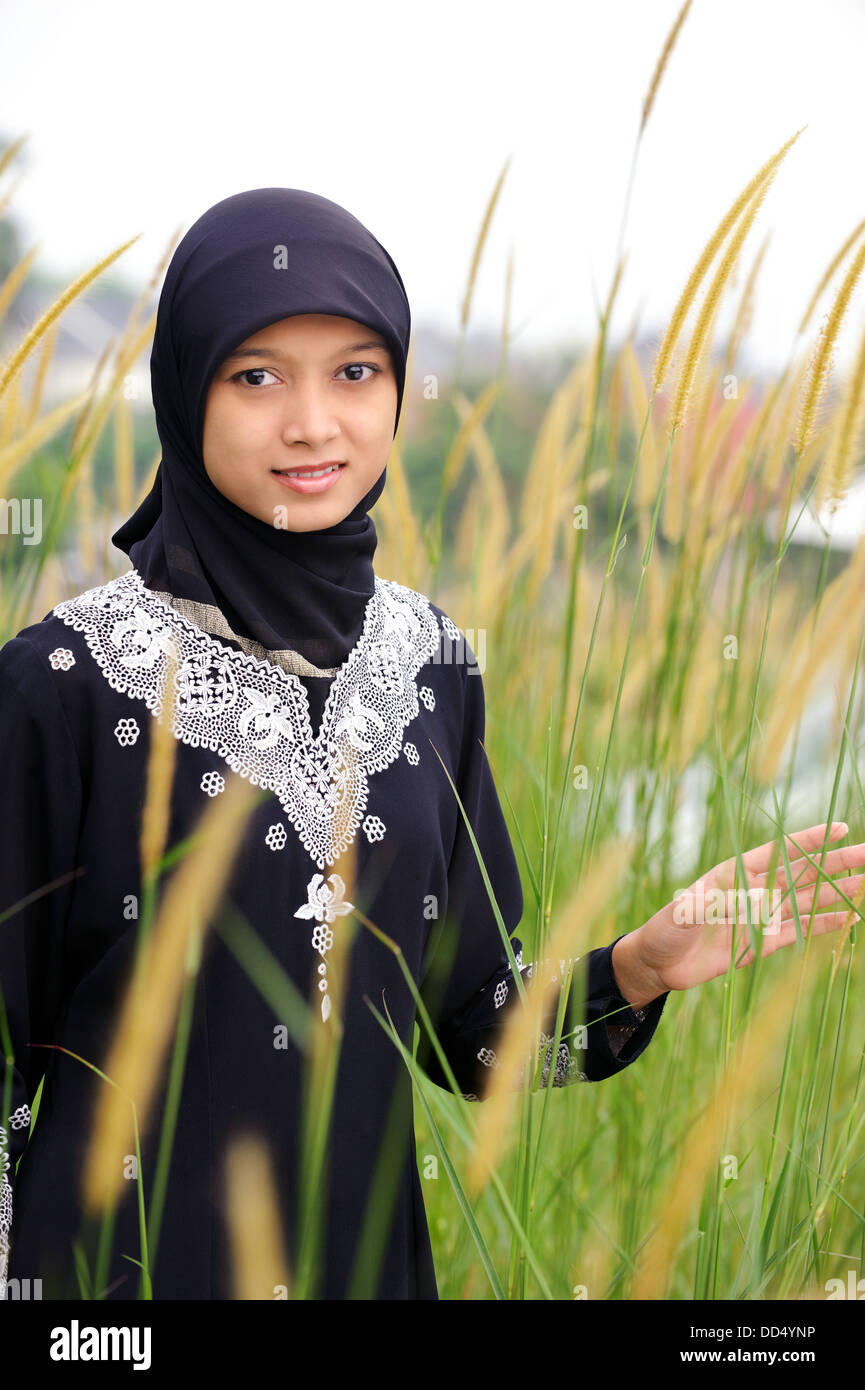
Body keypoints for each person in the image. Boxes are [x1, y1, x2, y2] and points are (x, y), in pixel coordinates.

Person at [1, 188, 862, 1302]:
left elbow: (469, 1044)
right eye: (256, 375)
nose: (315, 422)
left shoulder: (430, 668)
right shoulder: (62, 684)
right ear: (183, 391)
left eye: (356, 372)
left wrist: (638, 969)